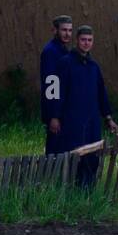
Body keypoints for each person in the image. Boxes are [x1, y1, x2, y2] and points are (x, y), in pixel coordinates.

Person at [49, 25, 118, 186]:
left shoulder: (94, 67)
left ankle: (88, 192)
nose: (86, 43)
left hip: (92, 120)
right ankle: (69, 190)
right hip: (72, 120)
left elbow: (102, 94)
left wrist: (108, 118)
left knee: (92, 156)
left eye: (89, 40)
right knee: (73, 155)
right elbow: (56, 93)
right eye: (83, 40)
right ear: (77, 41)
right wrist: (55, 116)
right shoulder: (65, 63)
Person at [40, 15, 73, 154]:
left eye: (70, 30)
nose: (67, 34)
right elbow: (51, 84)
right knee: (54, 149)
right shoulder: (51, 51)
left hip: (64, 109)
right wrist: (54, 116)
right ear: (55, 30)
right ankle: (50, 176)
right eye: (64, 30)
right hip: (55, 110)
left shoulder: (64, 50)